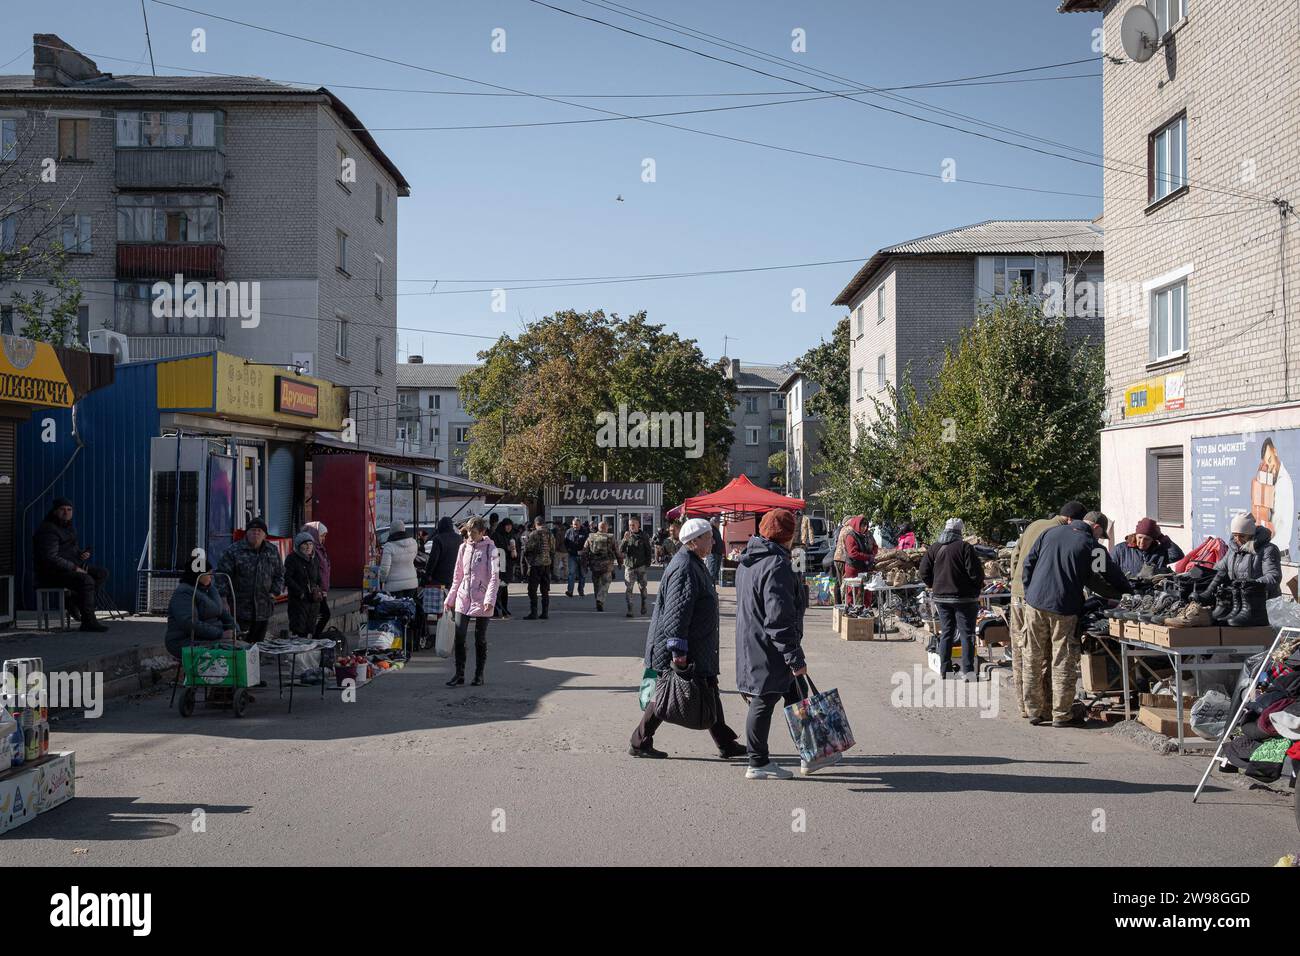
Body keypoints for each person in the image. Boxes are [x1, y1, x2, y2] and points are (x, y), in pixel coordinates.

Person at [630, 517, 746, 760]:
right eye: (709, 537)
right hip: (684, 646)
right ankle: (639, 741)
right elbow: (676, 614)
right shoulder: (685, 566)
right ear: (694, 541)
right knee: (668, 693)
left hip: (696, 644)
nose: (713, 541)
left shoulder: (693, 562)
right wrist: (678, 653)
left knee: (708, 687)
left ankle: (725, 742)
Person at [1021, 509, 1130, 727]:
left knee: (1032, 656)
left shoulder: (1050, 533)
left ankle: (1034, 711)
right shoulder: (1091, 546)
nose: (1099, 539)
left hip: (1034, 604)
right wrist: (1124, 592)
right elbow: (1104, 577)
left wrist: (1030, 591)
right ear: (1096, 527)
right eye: (1100, 535)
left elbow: (1028, 564)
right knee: (1062, 659)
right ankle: (1062, 714)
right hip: (1064, 608)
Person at [734, 509, 809, 779]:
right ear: (787, 535)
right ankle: (757, 762)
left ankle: (810, 752)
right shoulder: (776, 564)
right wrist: (794, 657)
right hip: (770, 647)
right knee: (764, 700)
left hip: (755, 641)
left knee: (796, 696)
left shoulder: (750, 560)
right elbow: (778, 617)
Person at [1008, 502, 1084, 720]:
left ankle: (1026, 706)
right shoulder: (1061, 533)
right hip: (1039, 597)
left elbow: (1015, 556)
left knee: (1022, 650)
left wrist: (1017, 583)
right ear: (1071, 520)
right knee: (1047, 653)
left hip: (1018, 594)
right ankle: (1047, 706)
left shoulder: (1034, 525)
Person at [919, 518, 984, 681]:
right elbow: (975, 573)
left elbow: (923, 571)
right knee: (966, 634)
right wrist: (977, 588)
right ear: (959, 532)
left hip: (941, 598)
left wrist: (934, 585)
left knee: (947, 632)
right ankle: (968, 672)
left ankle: (945, 670)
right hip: (964, 599)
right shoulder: (964, 547)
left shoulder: (934, 547)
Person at [32, 497, 109, 632]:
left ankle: (74, 600)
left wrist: (81, 554)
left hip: (69, 569)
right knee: (86, 580)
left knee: (101, 573)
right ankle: (88, 621)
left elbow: (69, 550)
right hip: (51, 574)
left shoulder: (68, 527)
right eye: (62, 509)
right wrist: (74, 567)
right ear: (55, 511)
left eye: (69, 509)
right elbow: (50, 558)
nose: (66, 512)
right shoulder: (49, 529)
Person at [444, 516, 499, 686]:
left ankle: (479, 674)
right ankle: (459, 674)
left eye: (474, 533)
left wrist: (489, 598)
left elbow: (494, 577)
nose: (470, 536)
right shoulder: (463, 548)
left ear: (483, 532)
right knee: (459, 636)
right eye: (468, 532)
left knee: (479, 638)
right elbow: (457, 576)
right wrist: (450, 598)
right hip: (463, 597)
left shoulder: (492, 549)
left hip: (482, 598)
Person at [1196, 513, 1283, 621]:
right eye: (1235, 535)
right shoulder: (1233, 550)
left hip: (1264, 604)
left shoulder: (1268, 550)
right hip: (1240, 603)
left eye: (1242, 536)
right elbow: (1220, 570)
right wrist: (1201, 577)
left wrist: (1247, 585)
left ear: (1251, 534)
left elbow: (1273, 577)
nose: (1237, 539)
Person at [216, 517, 284, 645]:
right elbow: (222, 576)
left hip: (264, 608)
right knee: (240, 646)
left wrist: (274, 593)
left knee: (258, 646)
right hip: (240, 609)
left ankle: (256, 664)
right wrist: (223, 599)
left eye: (259, 531)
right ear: (247, 533)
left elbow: (280, 574)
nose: (256, 533)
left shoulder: (272, 551)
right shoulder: (234, 551)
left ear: (265, 535)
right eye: (253, 530)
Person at [165, 558, 235, 661]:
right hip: (186, 640)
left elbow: (222, 612)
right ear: (198, 574)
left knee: (242, 649)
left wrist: (234, 628)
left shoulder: (209, 589)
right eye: (208, 573)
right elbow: (189, 622)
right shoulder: (184, 593)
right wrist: (220, 634)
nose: (211, 576)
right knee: (229, 655)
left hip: (209, 637)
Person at [1111, 517, 1185, 578]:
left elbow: (1178, 555)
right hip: (1128, 591)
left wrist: (1161, 537)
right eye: (1140, 537)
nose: (1142, 542)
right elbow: (1110, 570)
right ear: (1135, 535)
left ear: (1153, 540)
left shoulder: (1159, 551)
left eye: (1147, 539)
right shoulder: (1120, 549)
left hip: (1153, 592)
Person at [284, 531, 323, 639]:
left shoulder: (314, 558)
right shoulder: (292, 558)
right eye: (305, 544)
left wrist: (320, 589)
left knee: (310, 628)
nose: (308, 547)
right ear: (298, 545)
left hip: (313, 600)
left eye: (310, 544)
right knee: (299, 629)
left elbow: (318, 576)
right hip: (298, 600)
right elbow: (287, 578)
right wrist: (300, 592)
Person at [379, 519, 420, 608]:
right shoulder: (413, 542)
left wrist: (382, 580)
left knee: (397, 611)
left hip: (394, 585)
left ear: (391, 530)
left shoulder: (389, 546)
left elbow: (385, 568)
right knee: (409, 609)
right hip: (411, 583)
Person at [301, 521, 332, 638]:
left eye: (324, 536)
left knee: (319, 615)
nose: (323, 538)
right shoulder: (312, 550)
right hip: (315, 590)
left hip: (321, 589)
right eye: (321, 535)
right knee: (325, 614)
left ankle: (313, 637)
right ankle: (314, 637)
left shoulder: (320, 549)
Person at [583, 521, 619, 612]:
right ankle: (600, 600)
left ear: (599, 528)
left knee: (596, 584)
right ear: (606, 528)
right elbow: (617, 551)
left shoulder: (591, 537)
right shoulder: (611, 537)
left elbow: (585, 550)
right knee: (606, 583)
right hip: (607, 565)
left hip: (594, 565)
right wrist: (620, 562)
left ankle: (598, 601)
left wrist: (584, 564)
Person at [523, 516, 554, 620]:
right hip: (547, 565)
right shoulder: (550, 534)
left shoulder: (534, 534)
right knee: (545, 590)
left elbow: (527, 548)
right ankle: (545, 613)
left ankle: (534, 612)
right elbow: (553, 549)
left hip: (536, 565)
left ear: (536, 524)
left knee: (532, 589)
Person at [622, 516, 653, 617]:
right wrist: (624, 540)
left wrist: (647, 563)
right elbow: (621, 550)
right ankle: (630, 609)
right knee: (629, 588)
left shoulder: (644, 536)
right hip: (629, 566)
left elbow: (648, 550)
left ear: (638, 524)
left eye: (634, 524)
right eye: (630, 525)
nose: (632, 526)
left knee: (642, 587)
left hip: (641, 566)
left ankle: (643, 603)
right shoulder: (627, 535)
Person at [490, 518, 516, 619]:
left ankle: (504, 608)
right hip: (498, 565)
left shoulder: (512, 535)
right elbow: (494, 549)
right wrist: (506, 548)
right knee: (497, 588)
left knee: (504, 588)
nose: (509, 527)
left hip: (508, 565)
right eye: (507, 525)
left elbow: (515, 548)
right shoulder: (496, 535)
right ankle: (495, 609)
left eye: (510, 525)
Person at [564, 517, 589, 597]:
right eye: (574, 525)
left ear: (580, 524)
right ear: (572, 524)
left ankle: (581, 590)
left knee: (582, 575)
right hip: (572, 556)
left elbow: (588, 543)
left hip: (582, 556)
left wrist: (584, 551)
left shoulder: (585, 531)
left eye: (577, 525)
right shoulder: (569, 531)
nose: (575, 526)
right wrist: (569, 550)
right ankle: (570, 591)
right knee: (571, 574)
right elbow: (565, 542)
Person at [708, 517, 725, 584]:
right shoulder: (711, 529)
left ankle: (713, 588)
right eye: (717, 522)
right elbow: (710, 539)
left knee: (715, 572)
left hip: (718, 553)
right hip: (713, 553)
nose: (719, 524)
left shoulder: (716, 530)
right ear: (713, 522)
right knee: (712, 571)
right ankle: (710, 587)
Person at [552, 518, 567, 584]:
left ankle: (557, 577)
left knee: (556, 565)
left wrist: (554, 548)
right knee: (566, 565)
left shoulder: (559, 531)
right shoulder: (567, 530)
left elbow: (557, 542)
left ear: (557, 525)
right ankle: (566, 577)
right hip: (566, 550)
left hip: (559, 550)